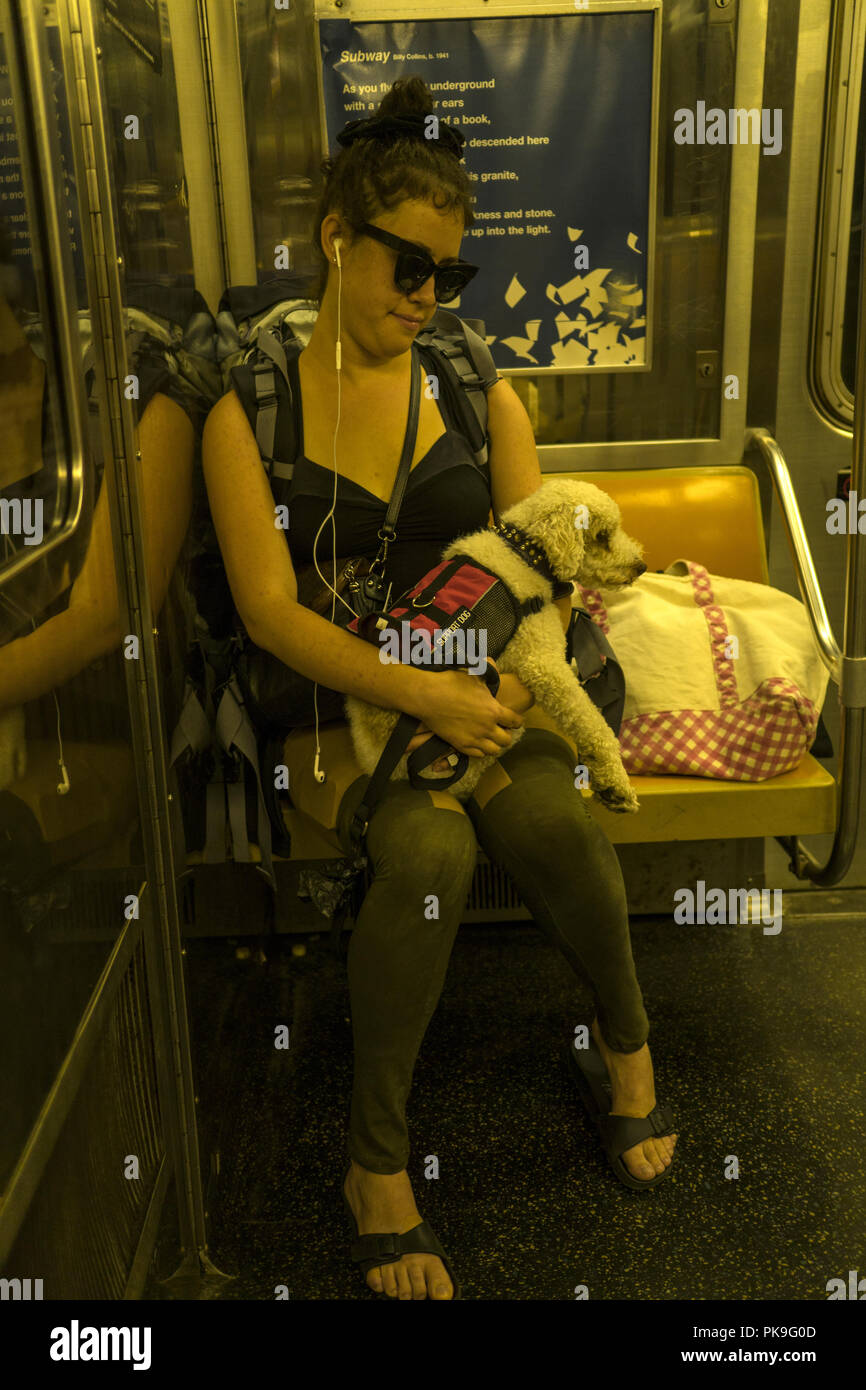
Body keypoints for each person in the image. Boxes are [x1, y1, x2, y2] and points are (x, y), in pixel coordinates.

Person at [202, 76, 677, 1302]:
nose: (424, 298)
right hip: (345, 712)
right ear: (334, 240)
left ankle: (626, 1057)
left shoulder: (472, 384)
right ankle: (375, 1169)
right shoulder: (252, 406)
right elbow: (267, 610)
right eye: (404, 267)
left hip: (494, 696)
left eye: (446, 276)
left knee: (561, 822)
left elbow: (544, 571)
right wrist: (428, 704)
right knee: (427, 862)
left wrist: (497, 710)